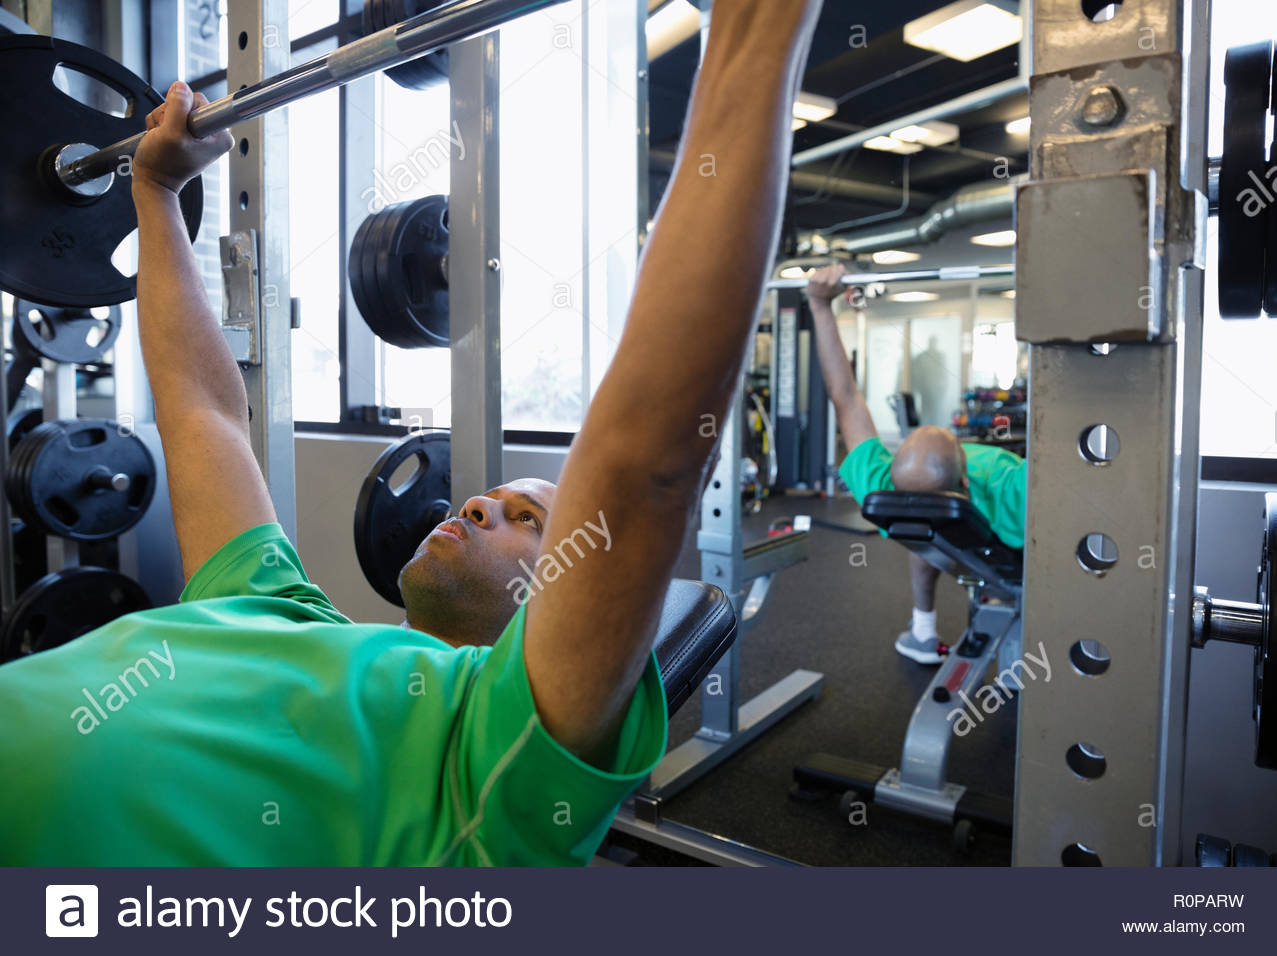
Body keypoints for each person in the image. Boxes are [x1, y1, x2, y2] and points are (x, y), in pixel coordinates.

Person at [0, 0, 823, 865]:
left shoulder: (490, 772)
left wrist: (758, 31)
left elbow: (645, 467)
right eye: (494, 498)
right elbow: (205, 413)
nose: (479, 506)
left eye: (530, 521)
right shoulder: (273, 607)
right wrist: (155, 193)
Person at [805, 263, 1025, 665]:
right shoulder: (1016, 491)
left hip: (1017, 552)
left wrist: (820, 306)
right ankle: (924, 628)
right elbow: (846, 396)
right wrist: (819, 307)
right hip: (977, 535)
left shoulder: (882, 487)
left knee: (929, 534)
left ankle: (926, 629)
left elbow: (846, 398)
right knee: (931, 528)